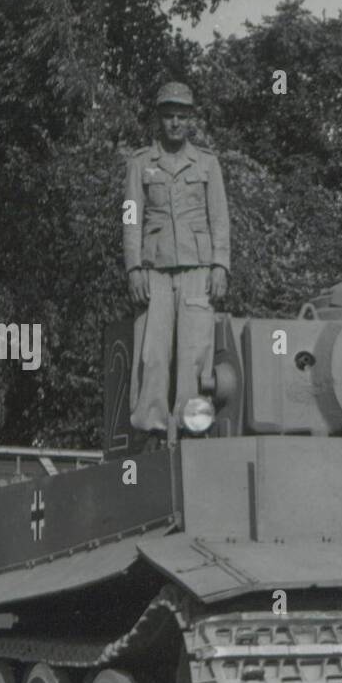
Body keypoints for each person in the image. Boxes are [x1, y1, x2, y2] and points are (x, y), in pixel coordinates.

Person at [123, 82, 231, 439]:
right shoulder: (140, 164)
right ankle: (151, 428)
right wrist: (133, 267)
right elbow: (130, 219)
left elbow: (220, 218)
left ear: (191, 120)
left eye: (181, 117)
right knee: (152, 353)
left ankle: (190, 425)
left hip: (198, 270)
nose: (174, 124)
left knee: (195, 355)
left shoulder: (207, 164)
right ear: (159, 120)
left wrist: (220, 265)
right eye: (168, 117)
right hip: (153, 270)